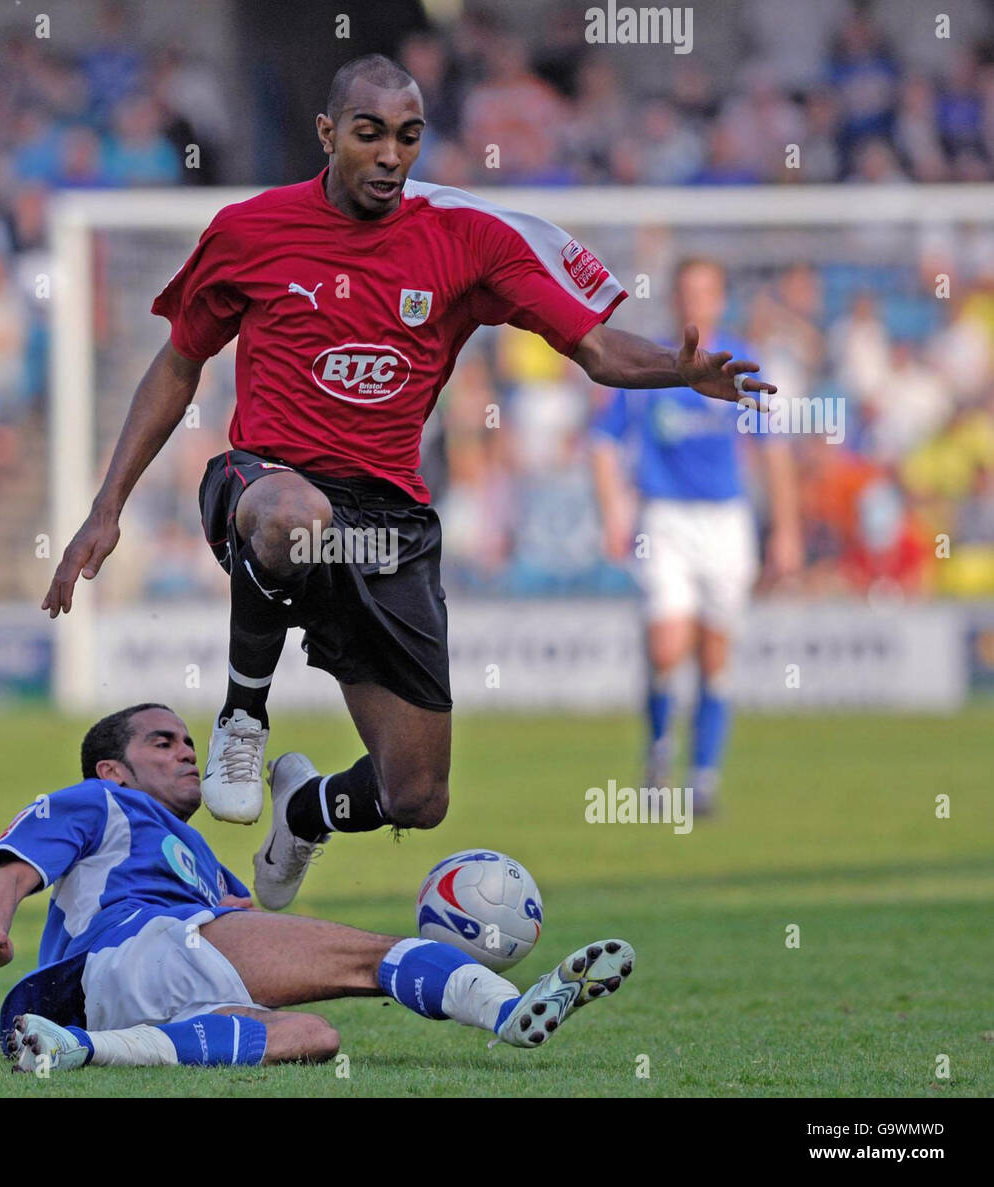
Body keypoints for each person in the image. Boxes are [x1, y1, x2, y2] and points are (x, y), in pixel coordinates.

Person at [42, 54, 776, 910]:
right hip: (267, 483)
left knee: (417, 796)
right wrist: (106, 507)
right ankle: (244, 714)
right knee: (290, 513)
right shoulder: (250, 230)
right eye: (370, 134)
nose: (391, 154)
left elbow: (597, 347)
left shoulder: (468, 241)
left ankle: (307, 808)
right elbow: (178, 365)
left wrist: (677, 372)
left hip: (388, 522)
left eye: (409, 136)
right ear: (327, 134)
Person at [0, 703, 636, 1071]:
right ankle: (506, 1011)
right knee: (372, 957)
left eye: (189, 741)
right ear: (112, 769)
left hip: (104, 1003)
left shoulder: (197, 858)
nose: (187, 750)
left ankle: (77, 1051)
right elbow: (11, 871)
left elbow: (256, 919)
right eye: (162, 742)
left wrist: (285, 843)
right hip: (131, 949)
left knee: (313, 1036)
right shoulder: (100, 804)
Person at [590, 258, 801, 812]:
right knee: (666, 647)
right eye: (686, 291)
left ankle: (703, 779)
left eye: (706, 291)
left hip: (726, 521)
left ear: (721, 298)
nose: (695, 302)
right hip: (664, 519)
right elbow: (603, 440)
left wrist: (786, 530)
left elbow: (772, 451)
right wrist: (614, 510)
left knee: (715, 656)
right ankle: (659, 753)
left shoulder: (739, 363)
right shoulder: (654, 365)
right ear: (675, 299)